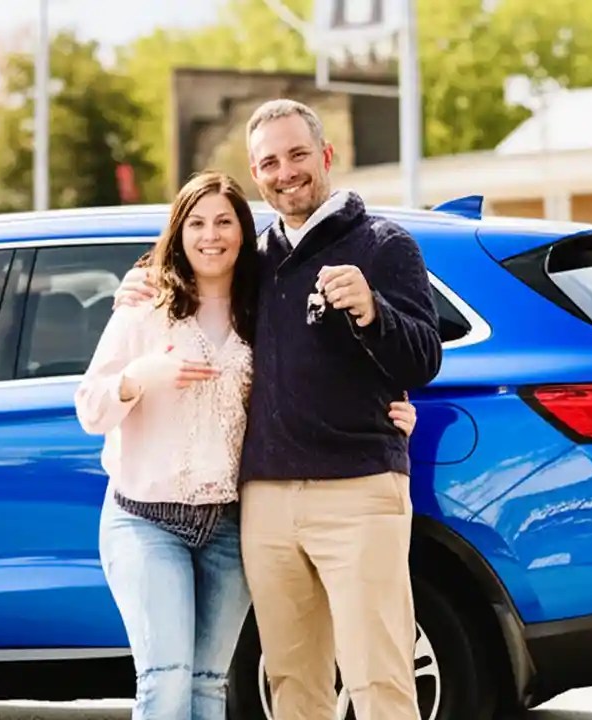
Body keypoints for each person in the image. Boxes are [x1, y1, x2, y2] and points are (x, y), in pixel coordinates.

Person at [114, 99, 442, 720]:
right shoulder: (252, 263)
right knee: (292, 685)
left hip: (359, 492)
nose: (286, 171)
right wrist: (137, 287)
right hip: (262, 503)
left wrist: (374, 311)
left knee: (380, 678)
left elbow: (423, 358)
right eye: (270, 162)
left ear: (326, 156)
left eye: (297, 155)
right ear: (256, 173)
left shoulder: (384, 244)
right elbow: (190, 289)